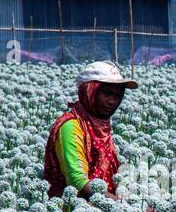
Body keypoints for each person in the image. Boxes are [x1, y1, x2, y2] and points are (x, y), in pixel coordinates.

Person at [43, 61, 136, 199]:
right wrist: (124, 205)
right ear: (89, 92)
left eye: (117, 96)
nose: (112, 101)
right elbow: (78, 184)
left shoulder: (101, 127)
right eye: (107, 94)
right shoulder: (71, 126)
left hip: (104, 207)